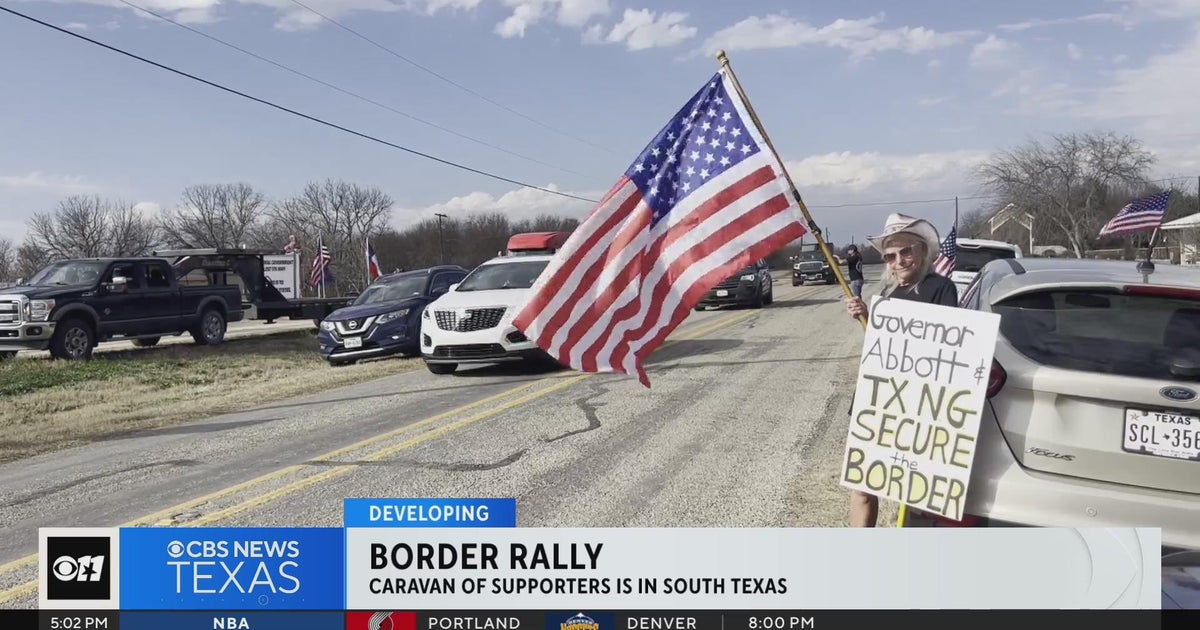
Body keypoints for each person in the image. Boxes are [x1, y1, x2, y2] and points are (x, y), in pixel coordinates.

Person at [843, 212, 959, 528]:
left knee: (913, 495)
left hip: (916, 407)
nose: (899, 261)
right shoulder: (886, 293)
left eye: (906, 251)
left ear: (922, 251)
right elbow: (883, 349)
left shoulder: (941, 289)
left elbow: (945, 350)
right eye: (891, 256)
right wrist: (867, 316)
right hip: (877, 402)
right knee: (863, 488)